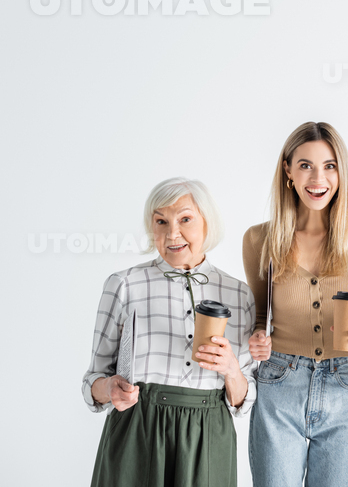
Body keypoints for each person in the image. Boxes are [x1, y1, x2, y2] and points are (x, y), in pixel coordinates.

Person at [82, 177, 257, 487]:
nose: (172, 233)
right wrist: (109, 388)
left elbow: (244, 401)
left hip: (208, 432)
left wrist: (231, 370)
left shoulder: (239, 294)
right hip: (139, 428)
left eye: (185, 219)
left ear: (207, 222)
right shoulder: (124, 285)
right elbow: (91, 382)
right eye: (160, 221)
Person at [244, 122, 348, 487]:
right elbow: (260, 317)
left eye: (329, 165)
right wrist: (259, 336)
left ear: (341, 173)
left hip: (345, 384)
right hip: (280, 383)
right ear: (288, 170)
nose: (317, 177)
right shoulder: (260, 239)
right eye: (305, 165)